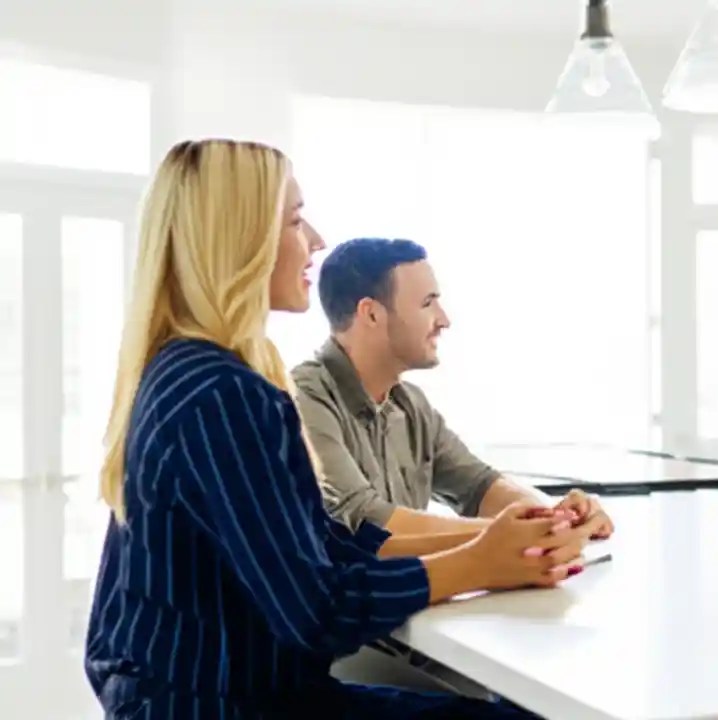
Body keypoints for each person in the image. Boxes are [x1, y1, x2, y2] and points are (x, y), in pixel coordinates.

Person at [85, 139, 588, 718]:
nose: (317, 241)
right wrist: (479, 562)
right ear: (241, 239)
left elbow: (322, 544)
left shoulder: (186, 373)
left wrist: (504, 536)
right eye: (297, 220)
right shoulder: (225, 397)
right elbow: (316, 611)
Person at [290, 238, 614, 550]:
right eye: (427, 303)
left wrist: (552, 517)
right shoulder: (304, 401)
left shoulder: (409, 404)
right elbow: (365, 522)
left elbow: (479, 485)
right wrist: (516, 532)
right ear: (371, 314)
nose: (443, 320)